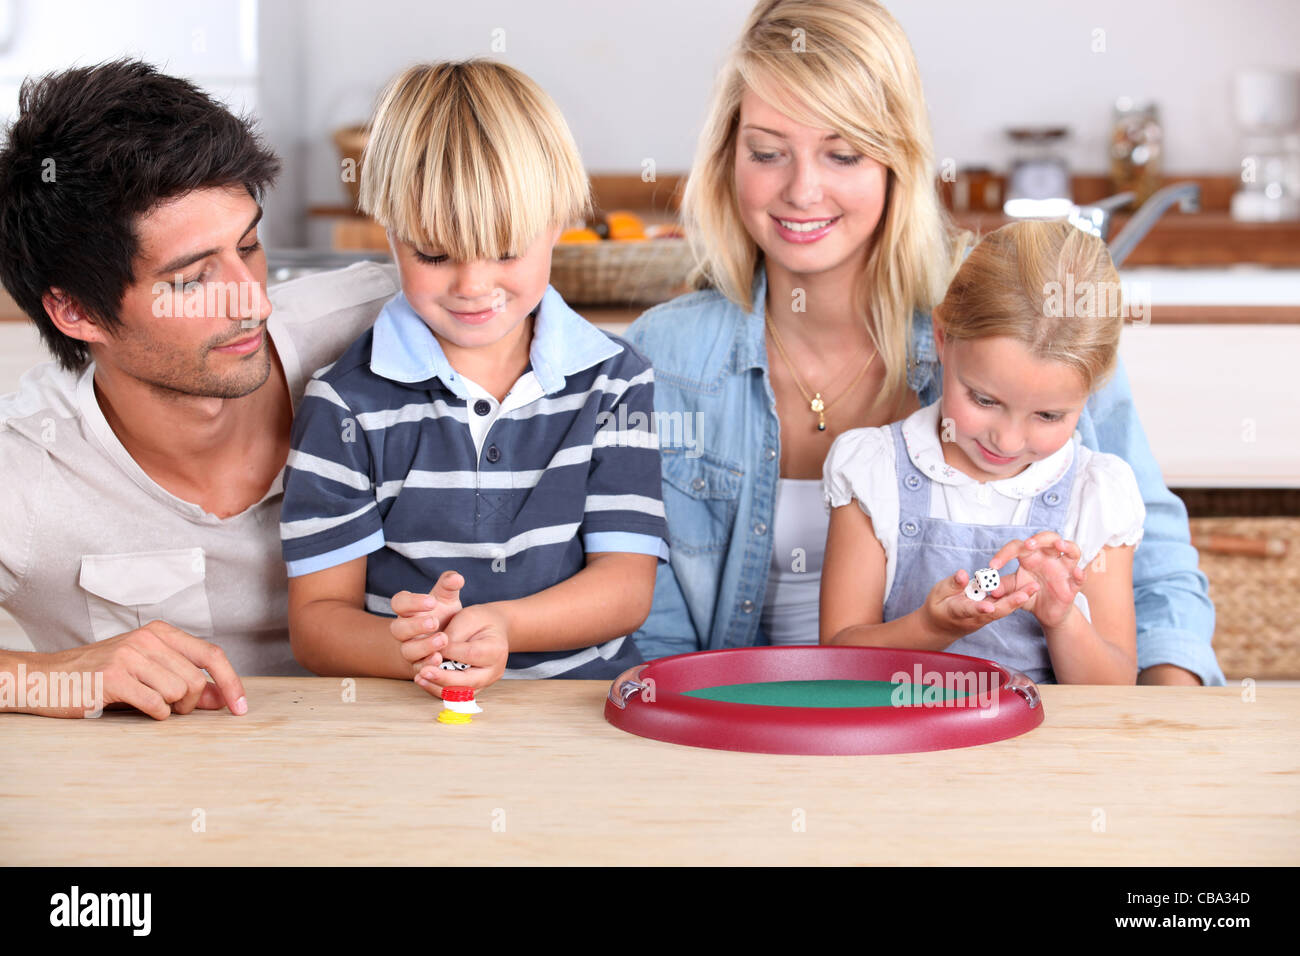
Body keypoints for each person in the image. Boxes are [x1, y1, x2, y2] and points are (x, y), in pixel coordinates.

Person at [625, 0, 1222, 685]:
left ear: (897, 157)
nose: (802, 189)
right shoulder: (664, 358)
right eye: (767, 152)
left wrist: (1162, 729)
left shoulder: (1023, 316)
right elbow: (651, 635)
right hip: (744, 731)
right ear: (729, 155)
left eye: (843, 153)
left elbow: (1158, 575)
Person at [0, 59, 421, 718]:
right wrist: (54, 677)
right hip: (165, 805)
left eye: (249, 246)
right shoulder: (26, 470)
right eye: (193, 280)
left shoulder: (383, 326)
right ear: (76, 312)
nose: (252, 300)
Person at [281, 61, 668, 688]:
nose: (472, 286)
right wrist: (416, 650)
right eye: (434, 254)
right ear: (391, 232)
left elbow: (625, 589)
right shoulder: (344, 405)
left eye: (506, 251)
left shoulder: (615, 383)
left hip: (578, 714)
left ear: (557, 223)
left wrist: (502, 627)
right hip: (410, 722)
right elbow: (318, 624)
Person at [821, 220, 1141, 684]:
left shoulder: (1097, 493)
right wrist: (929, 628)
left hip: (1050, 754)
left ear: (1092, 391)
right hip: (903, 750)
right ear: (943, 338)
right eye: (984, 401)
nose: (1007, 442)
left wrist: (1062, 618)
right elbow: (837, 661)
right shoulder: (873, 470)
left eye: (1048, 416)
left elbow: (1114, 691)